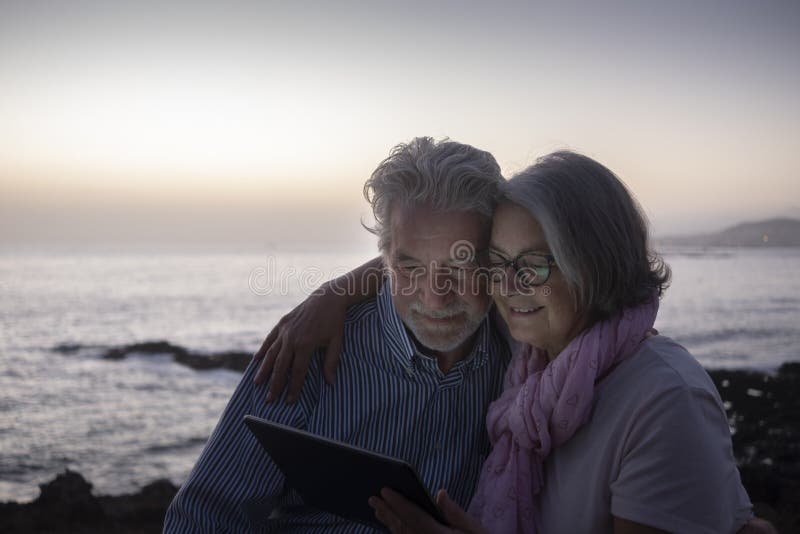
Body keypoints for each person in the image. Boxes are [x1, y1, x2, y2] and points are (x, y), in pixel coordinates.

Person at [254, 151, 766, 533]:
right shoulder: (532, 362)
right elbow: (424, 254)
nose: (507, 285)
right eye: (495, 263)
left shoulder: (661, 400)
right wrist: (333, 295)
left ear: (595, 261)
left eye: (534, 265)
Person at [163, 137, 513, 532]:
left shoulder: (521, 355)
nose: (434, 298)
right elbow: (205, 517)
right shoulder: (307, 350)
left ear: (497, 256)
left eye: (460, 265)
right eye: (410, 266)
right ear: (386, 257)